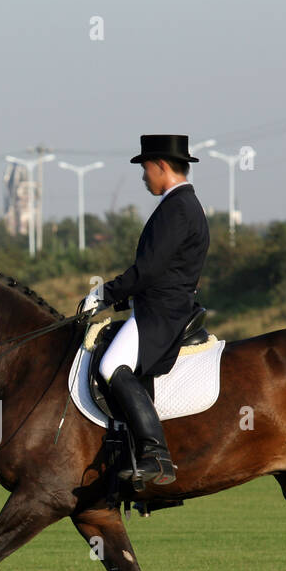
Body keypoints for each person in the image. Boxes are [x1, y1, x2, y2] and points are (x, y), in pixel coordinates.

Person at [86, 134, 210, 490]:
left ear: (160, 166)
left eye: (145, 169)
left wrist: (104, 293)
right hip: (164, 304)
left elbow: (150, 269)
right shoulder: (186, 205)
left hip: (161, 312)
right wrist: (123, 297)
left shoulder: (176, 208)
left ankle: (155, 454)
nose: (143, 177)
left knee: (111, 366)